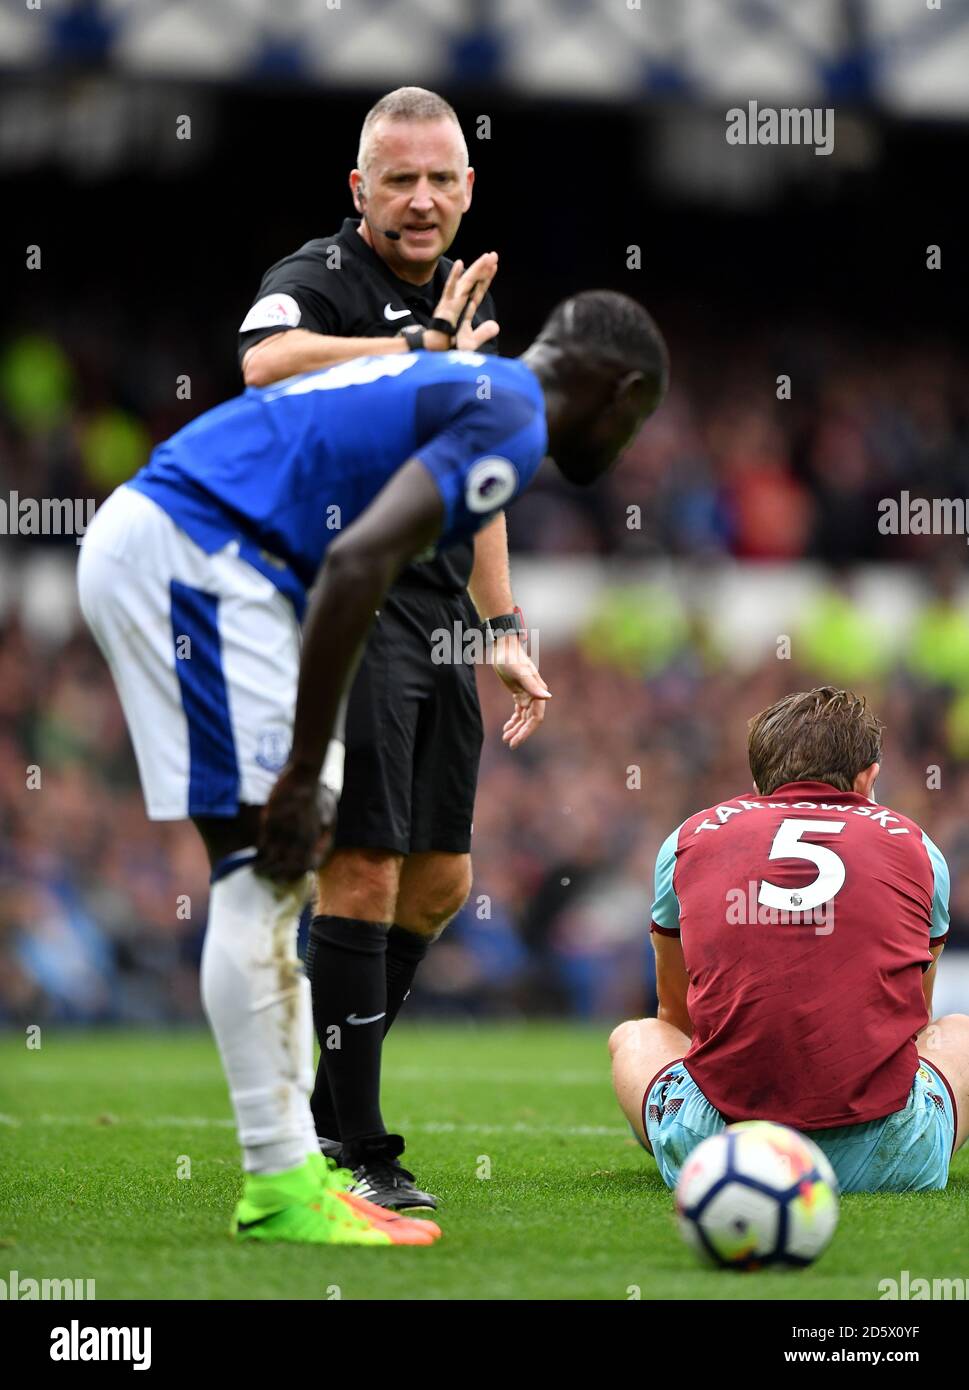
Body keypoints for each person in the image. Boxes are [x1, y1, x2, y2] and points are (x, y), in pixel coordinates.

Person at [78, 288, 669, 1245]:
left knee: (261, 875)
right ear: (622, 389)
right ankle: (287, 1179)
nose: (628, 440)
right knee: (266, 876)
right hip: (201, 555)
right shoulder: (511, 419)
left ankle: (293, 1167)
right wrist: (308, 768)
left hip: (168, 541)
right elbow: (357, 565)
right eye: (637, 419)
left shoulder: (468, 383)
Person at [238, 86, 538, 1211]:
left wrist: (503, 628)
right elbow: (263, 365)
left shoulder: (472, 308)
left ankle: (322, 1110)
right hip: (335, 598)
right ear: (359, 189)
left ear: (469, 188)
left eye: (440, 178)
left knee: (441, 880)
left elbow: (485, 479)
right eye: (397, 179)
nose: (420, 198)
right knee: (360, 864)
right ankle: (357, 1146)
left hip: (433, 613)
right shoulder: (320, 280)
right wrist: (415, 349)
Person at [610, 686, 969, 1193]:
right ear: (870, 775)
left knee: (637, 1036)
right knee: (960, 1033)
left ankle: (691, 1150)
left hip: (722, 1154)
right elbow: (911, 1023)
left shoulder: (689, 838)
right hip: (890, 1157)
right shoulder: (919, 847)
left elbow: (676, 1015)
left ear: (757, 778)